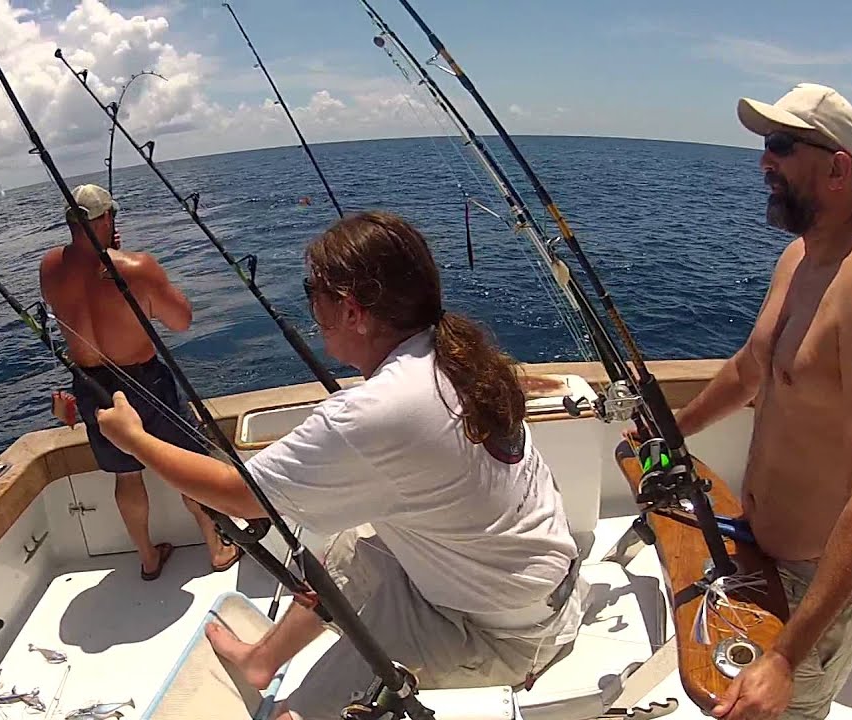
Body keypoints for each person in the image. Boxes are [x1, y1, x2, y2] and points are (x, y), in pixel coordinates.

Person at [94, 211, 588, 720]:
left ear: (353, 312)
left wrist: (134, 440)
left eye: (315, 294)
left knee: (328, 682)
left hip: (504, 636)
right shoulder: (459, 355)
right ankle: (262, 661)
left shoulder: (374, 413)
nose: (312, 310)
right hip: (536, 592)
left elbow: (238, 494)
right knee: (347, 547)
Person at [667, 84, 852, 720]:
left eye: (780, 145)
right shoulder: (798, 257)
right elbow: (750, 370)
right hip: (755, 542)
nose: (763, 162)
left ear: (838, 167)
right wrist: (672, 432)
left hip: (814, 582)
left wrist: (784, 659)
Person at [42, 183, 240, 580]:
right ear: (108, 218)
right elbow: (182, 320)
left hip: (92, 388)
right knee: (190, 462)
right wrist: (128, 262)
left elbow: (67, 303)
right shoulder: (136, 268)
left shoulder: (49, 267)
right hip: (145, 383)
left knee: (126, 474)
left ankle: (148, 558)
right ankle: (217, 549)